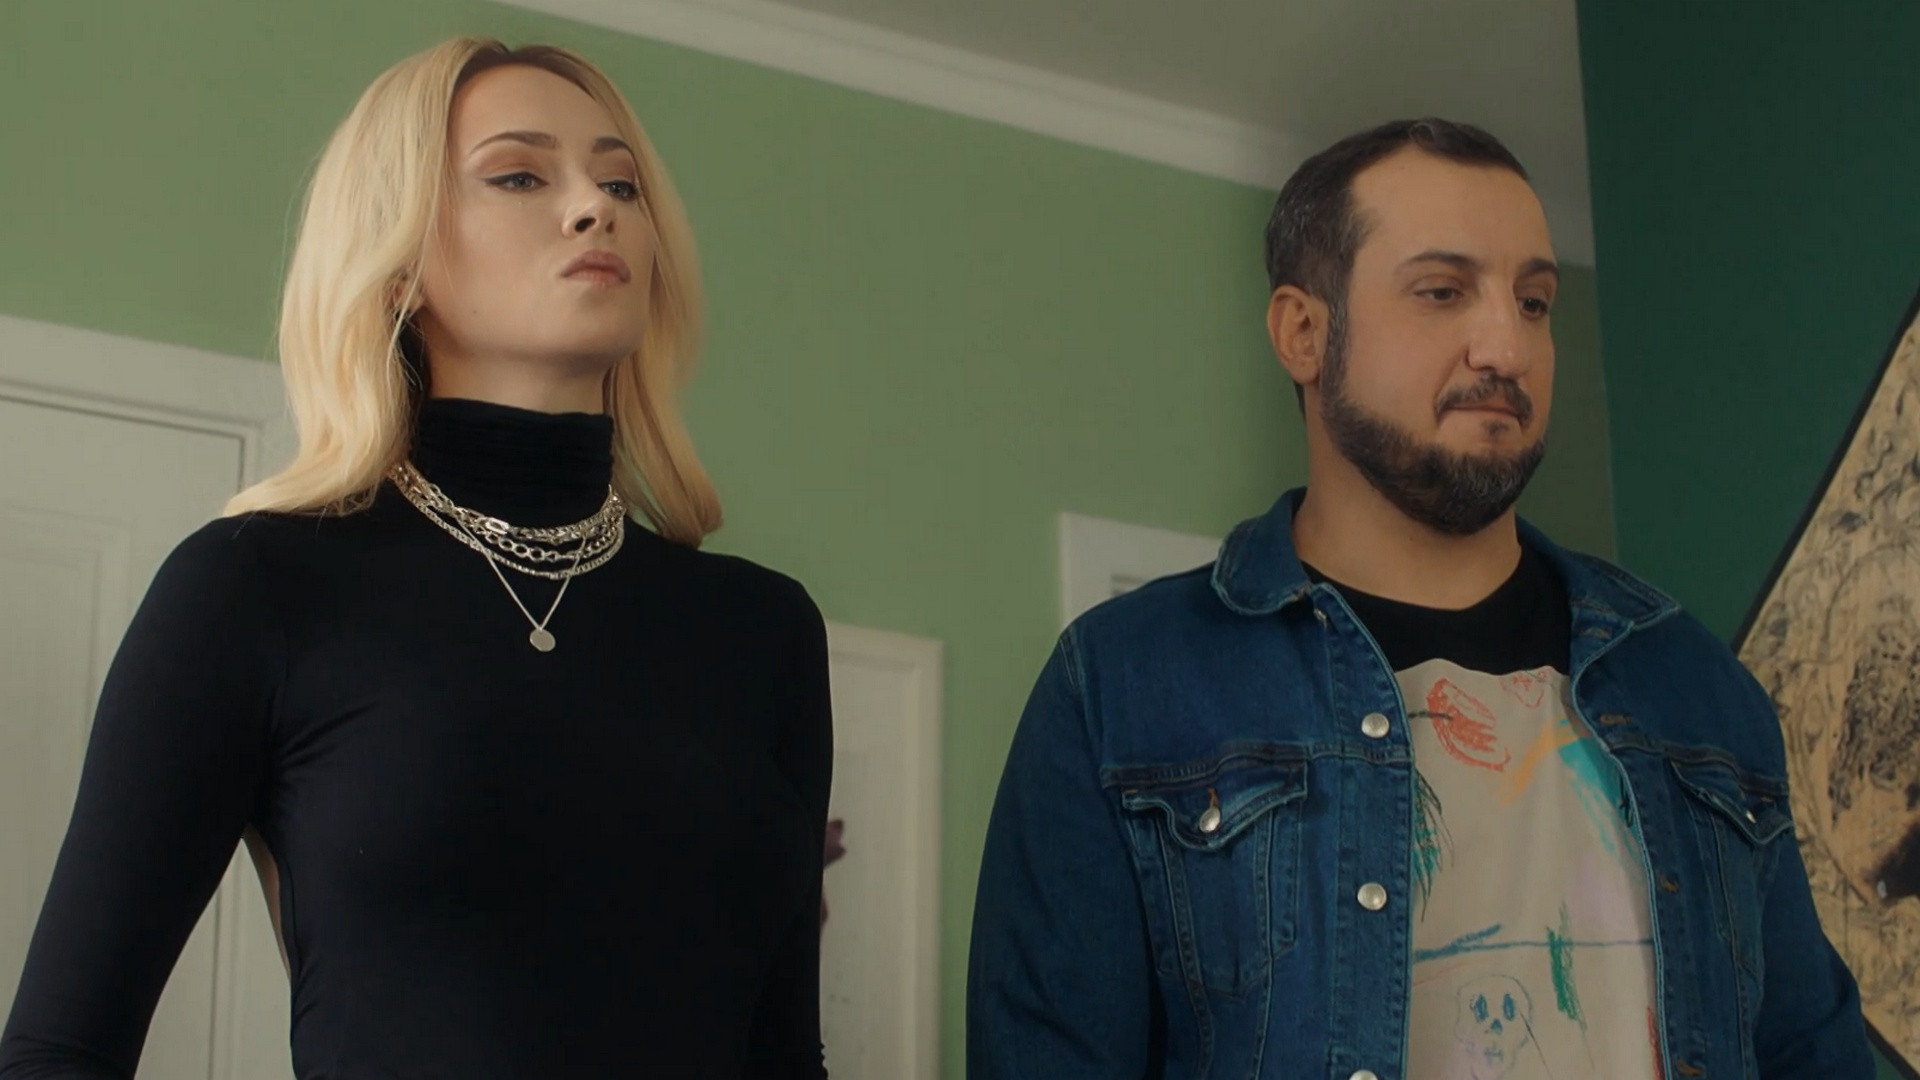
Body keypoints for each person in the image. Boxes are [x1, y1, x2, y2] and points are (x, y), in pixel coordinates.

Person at [966, 118, 1872, 1079]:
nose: (1506, 347)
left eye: (1533, 302)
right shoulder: (1122, 687)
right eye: (1443, 292)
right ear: (1304, 333)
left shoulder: (1697, 689)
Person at [0, 37, 831, 1079]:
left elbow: (785, 1057)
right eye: (520, 175)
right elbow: (59, 1051)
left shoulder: (762, 631)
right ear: (397, 264)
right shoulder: (256, 589)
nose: (595, 208)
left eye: (621, 184)